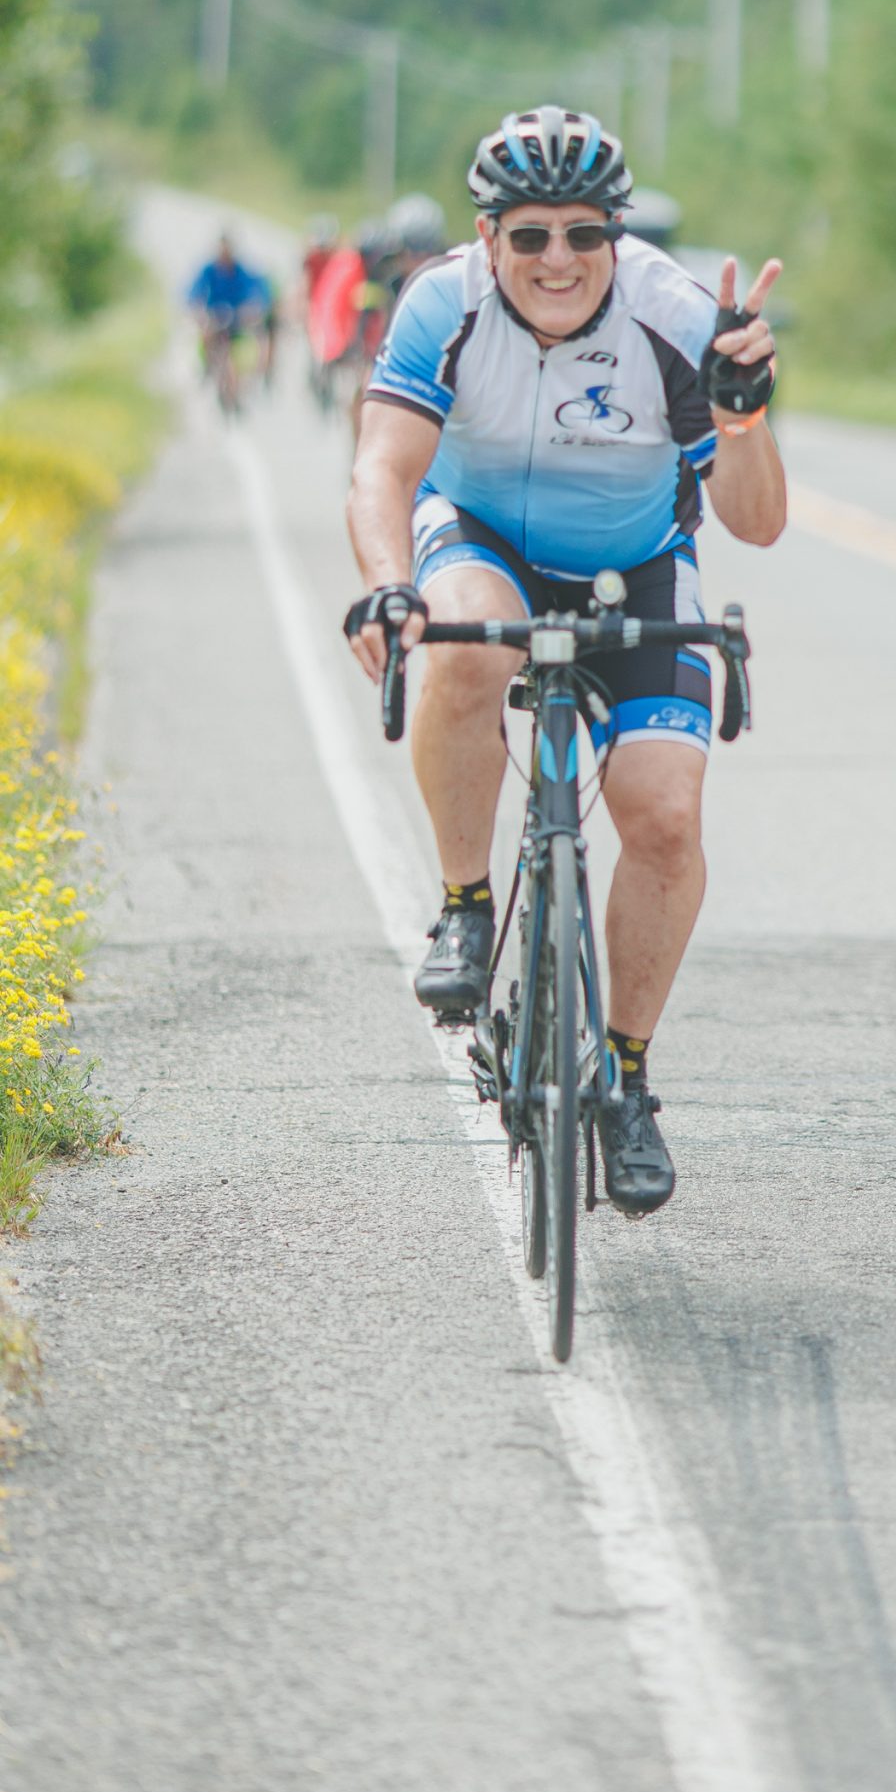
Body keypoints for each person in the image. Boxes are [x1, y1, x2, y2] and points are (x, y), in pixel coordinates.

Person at [341, 106, 786, 1215]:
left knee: (665, 819)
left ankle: (625, 1080)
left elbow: (760, 522)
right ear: (488, 237)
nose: (556, 259)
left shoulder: (675, 315)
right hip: (482, 535)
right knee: (463, 643)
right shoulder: (441, 301)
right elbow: (382, 470)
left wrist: (741, 417)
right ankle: (465, 902)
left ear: (615, 237)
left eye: (583, 235)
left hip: (635, 564)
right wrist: (391, 586)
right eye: (529, 234)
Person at [187, 235, 273, 403]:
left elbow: (255, 291)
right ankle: (206, 365)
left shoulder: (241, 271)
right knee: (206, 334)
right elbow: (194, 292)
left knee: (247, 348)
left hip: (236, 318)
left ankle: (243, 384)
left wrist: (253, 308)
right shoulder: (208, 270)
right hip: (214, 316)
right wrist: (198, 310)